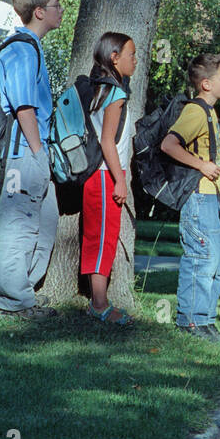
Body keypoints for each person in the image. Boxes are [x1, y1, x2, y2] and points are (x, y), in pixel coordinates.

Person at [0, 0, 64, 320]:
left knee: (45, 222)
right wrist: (38, 153)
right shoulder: (22, 49)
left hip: (35, 153)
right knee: (18, 226)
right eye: (56, 5)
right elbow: (24, 107)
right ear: (39, 12)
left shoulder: (31, 46)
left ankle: (24, 292)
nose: (60, 10)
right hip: (24, 155)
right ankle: (12, 301)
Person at [160, 54, 220, 343]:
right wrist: (201, 165)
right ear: (206, 84)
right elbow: (169, 144)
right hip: (199, 198)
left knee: (217, 262)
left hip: (212, 197)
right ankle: (190, 322)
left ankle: (206, 320)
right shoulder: (195, 111)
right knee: (202, 258)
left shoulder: (210, 112)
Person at [81, 32, 137, 325]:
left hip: (101, 175)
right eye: (131, 55)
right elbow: (107, 142)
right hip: (105, 175)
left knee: (101, 237)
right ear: (114, 58)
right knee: (102, 239)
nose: (135, 61)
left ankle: (99, 301)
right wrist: (120, 179)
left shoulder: (99, 86)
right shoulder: (114, 93)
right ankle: (99, 304)